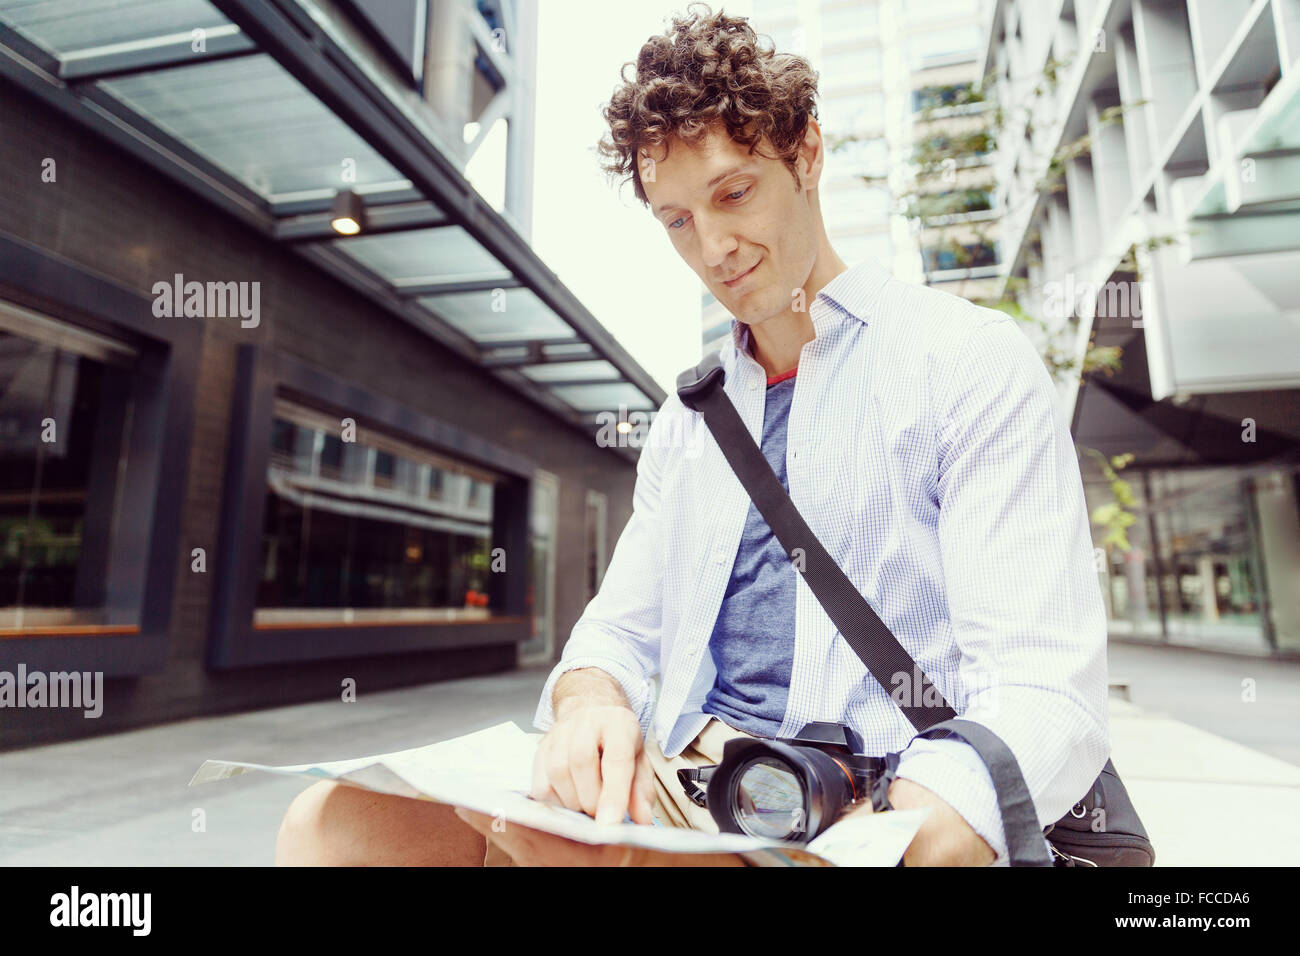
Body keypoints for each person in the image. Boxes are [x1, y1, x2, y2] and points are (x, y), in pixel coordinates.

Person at [274, 3, 1109, 867]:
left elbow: (1043, 688)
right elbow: (617, 635)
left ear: (807, 155)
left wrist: (926, 823)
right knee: (332, 821)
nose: (712, 248)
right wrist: (590, 704)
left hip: (872, 809)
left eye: (733, 193)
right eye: (676, 221)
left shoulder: (965, 361)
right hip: (687, 791)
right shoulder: (692, 418)